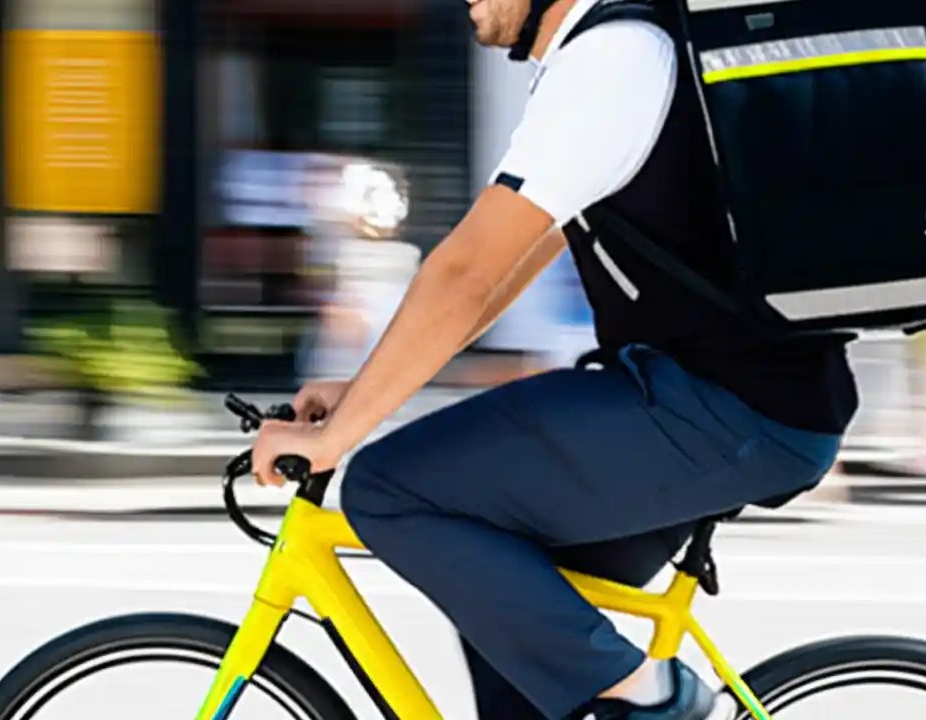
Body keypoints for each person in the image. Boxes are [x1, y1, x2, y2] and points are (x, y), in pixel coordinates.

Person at [250, 1, 858, 718]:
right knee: (501, 608)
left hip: (723, 409)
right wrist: (360, 395)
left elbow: (465, 273)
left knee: (389, 488)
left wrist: (338, 439)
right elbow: (505, 270)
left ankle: (654, 698)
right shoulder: (605, 55)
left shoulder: (615, 58)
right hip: (713, 400)